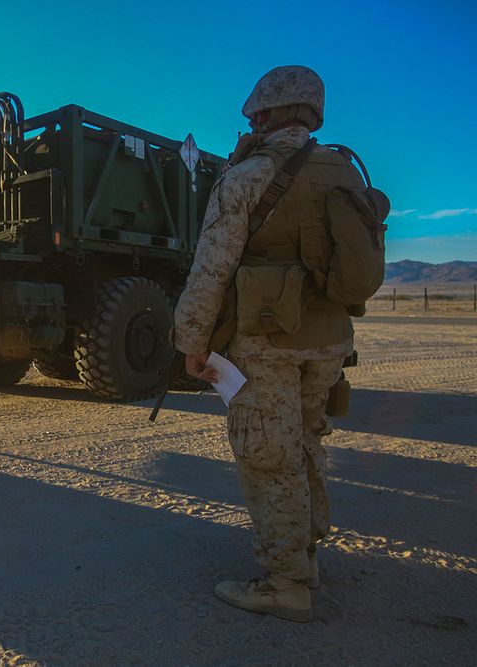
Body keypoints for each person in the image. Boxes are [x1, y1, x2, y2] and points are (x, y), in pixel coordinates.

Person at [174, 65, 366, 622]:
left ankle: (285, 583)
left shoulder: (247, 176)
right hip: (329, 343)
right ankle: (305, 552)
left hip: (267, 343)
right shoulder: (345, 174)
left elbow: (210, 270)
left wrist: (192, 342)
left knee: (267, 456)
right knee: (305, 441)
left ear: (261, 114)